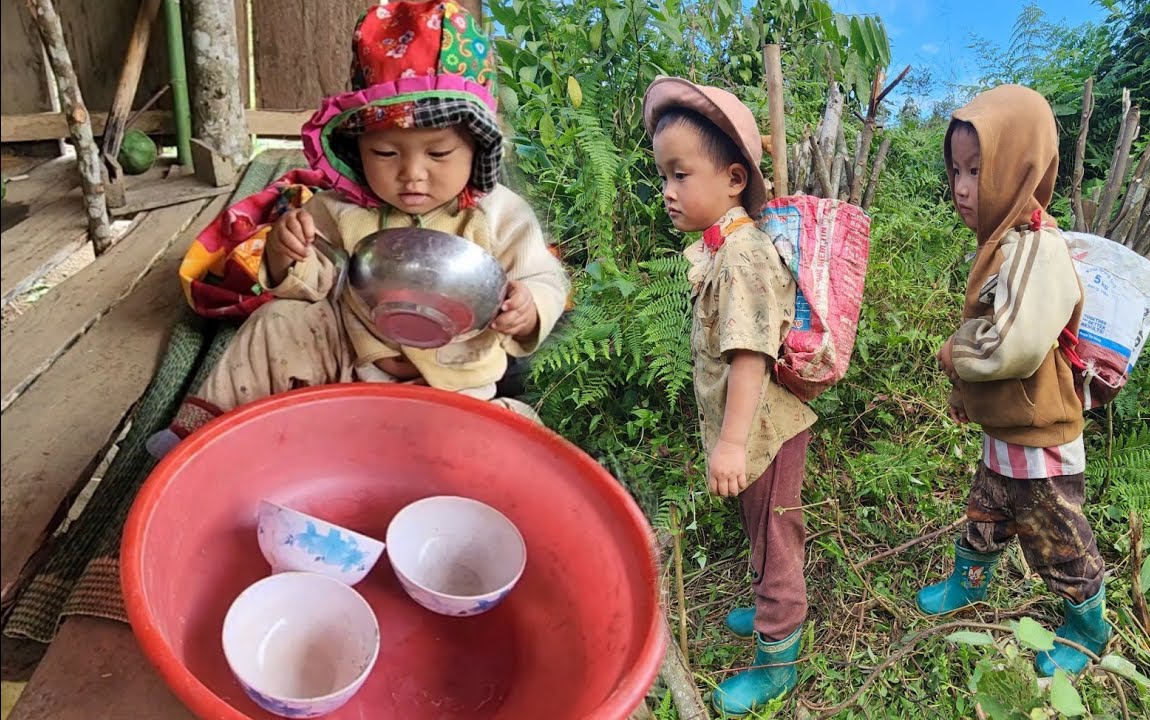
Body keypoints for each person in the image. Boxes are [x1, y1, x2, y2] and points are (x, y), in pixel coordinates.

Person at [151, 0, 567, 455]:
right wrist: (285, 253)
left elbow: (543, 277)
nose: (412, 174)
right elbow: (314, 283)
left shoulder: (500, 215)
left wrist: (529, 307)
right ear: (357, 148)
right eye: (386, 154)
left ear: (479, 149)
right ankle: (203, 436)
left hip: (452, 380)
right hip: (347, 352)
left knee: (500, 441)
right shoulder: (342, 207)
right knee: (275, 321)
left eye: (438, 154)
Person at [921, 84, 1110, 676]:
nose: (961, 185)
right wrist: (965, 396)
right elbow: (989, 324)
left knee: (1055, 537)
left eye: (978, 169)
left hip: (1040, 439)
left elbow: (1014, 345)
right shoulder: (1001, 245)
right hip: (1007, 428)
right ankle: (970, 582)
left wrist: (957, 356)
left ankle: (1086, 626)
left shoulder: (1038, 248)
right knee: (987, 508)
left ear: (1020, 168)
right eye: (956, 169)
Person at [643, 77, 817, 715]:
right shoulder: (723, 249)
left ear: (735, 179)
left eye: (681, 174)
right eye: (664, 174)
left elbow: (749, 356)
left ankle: (781, 649)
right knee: (758, 527)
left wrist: (732, 442)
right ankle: (770, 606)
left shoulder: (743, 257)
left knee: (776, 536)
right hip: (752, 431)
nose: (667, 191)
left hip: (765, 430)